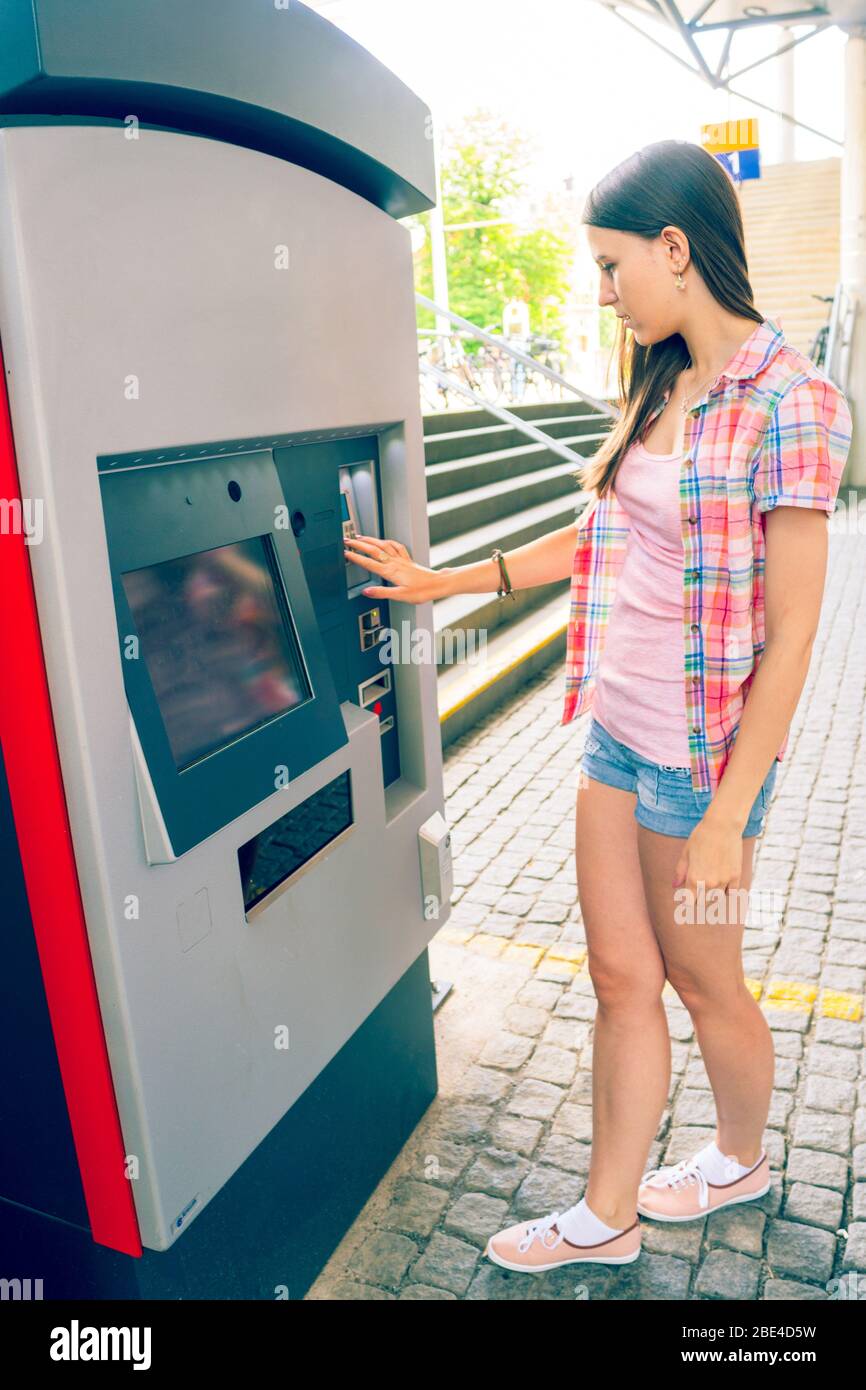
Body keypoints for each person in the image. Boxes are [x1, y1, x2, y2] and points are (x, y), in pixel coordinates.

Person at [342, 140, 853, 1277]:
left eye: (611, 266)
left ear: (676, 250)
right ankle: (605, 1213)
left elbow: (795, 632)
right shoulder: (658, 380)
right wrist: (445, 581)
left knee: (706, 980)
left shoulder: (791, 401)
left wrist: (725, 814)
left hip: (701, 762)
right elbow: (599, 536)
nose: (602, 291)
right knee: (621, 977)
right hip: (614, 739)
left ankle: (735, 1156)